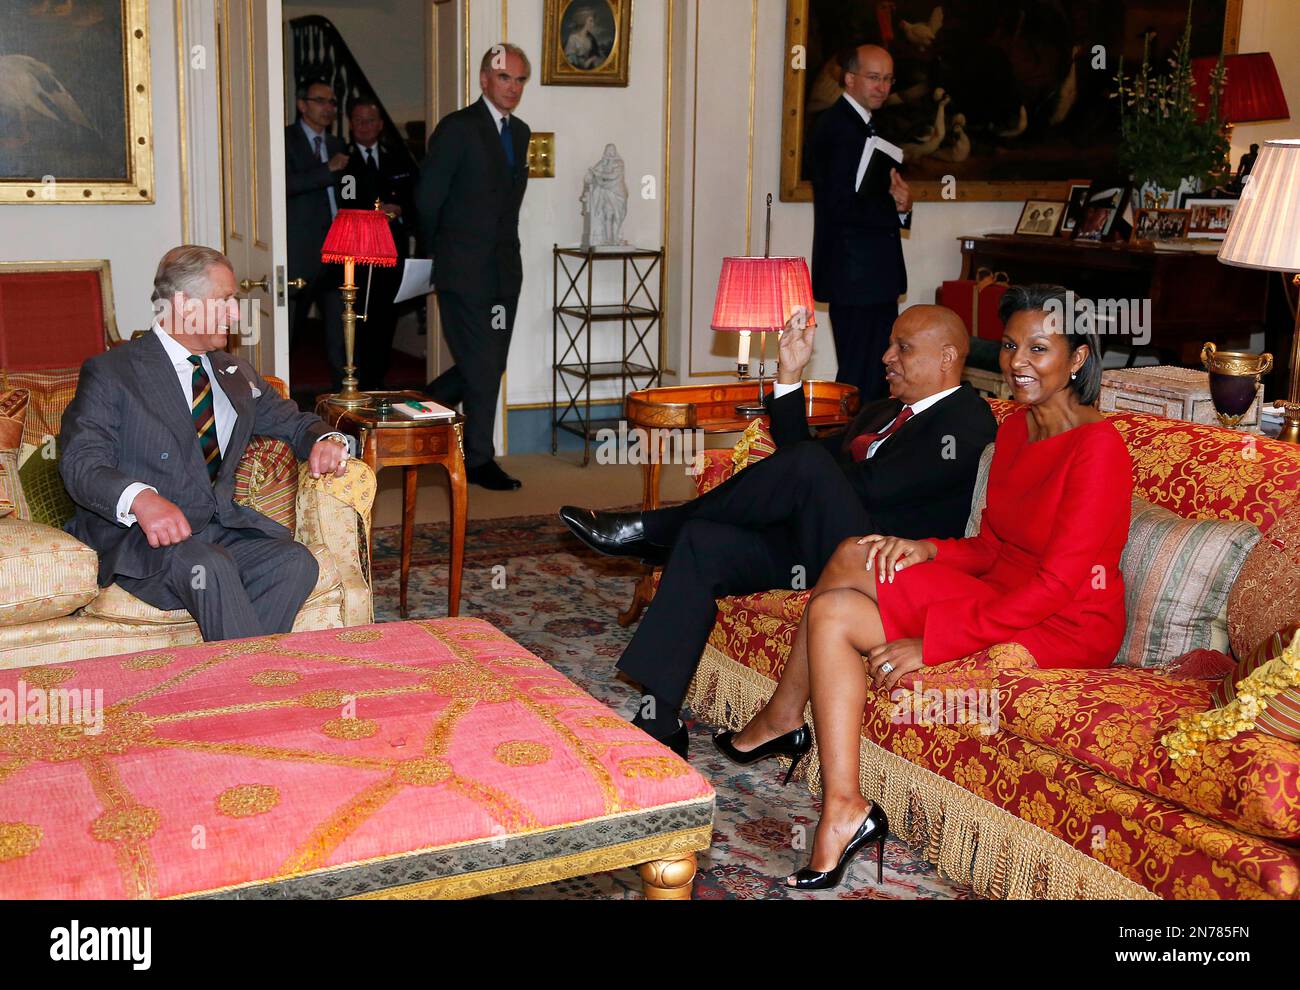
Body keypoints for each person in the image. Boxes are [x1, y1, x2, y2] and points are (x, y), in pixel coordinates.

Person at [722, 284, 1133, 891]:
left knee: (843, 567)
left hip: (1066, 621)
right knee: (838, 596)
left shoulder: (1099, 449)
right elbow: (992, 546)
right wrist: (927, 549)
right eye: (1012, 346)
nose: (1018, 363)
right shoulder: (1016, 431)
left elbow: (1054, 585)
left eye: (1039, 349)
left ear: (1077, 361)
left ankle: (785, 715)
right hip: (1001, 589)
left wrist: (934, 643)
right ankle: (844, 808)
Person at [559, 305, 997, 758]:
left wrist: (813, 471)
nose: (887, 357)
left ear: (947, 357)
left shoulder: (966, 420)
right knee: (702, 540)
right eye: (889, 344)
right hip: (818, 545)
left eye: (903, 348)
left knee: (807, 468)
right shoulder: (882, 411)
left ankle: (652, 528)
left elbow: (870, 486)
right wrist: (790, 375)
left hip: (876, 567)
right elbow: (799, 458)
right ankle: (658, 717)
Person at [60, 246, 353, 643]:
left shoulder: (233, 372)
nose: (236, 314)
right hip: (143, 542)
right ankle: (256, 689)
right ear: (183, 304)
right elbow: (82, 463)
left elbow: (293, 422)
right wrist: (143, 500)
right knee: (209, 567)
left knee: (293, 561)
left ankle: (239, 683)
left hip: (218, 530)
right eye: (226, 300)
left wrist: (325, 439)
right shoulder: (115, 372)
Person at [417, 44, 532, 491]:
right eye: (505, 78)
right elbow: (428, 200)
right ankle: (478, 459)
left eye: (520, 80)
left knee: (489, 363)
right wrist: (438, 256)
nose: (513, 88)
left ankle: (422, 406)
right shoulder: (458, 128)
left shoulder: (519, 132)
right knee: (482, 362)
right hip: (463, 269)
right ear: (485, 79)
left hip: (505, 270)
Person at [811, 43, 913, 404]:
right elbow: (839, 206)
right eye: (873, 77)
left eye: (887, 79)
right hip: (853, 277)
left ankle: (866, 451)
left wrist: (902, 206)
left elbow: (871, 197)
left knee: (877, 376)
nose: (882, 87)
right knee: (858, 380)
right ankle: (845, 455)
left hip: (872, 277)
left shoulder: (871, 125)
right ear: (850, 78)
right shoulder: (835, 126)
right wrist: (890, 210)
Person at [343, 97, 417, 391]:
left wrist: (397, 210)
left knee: (386, 321)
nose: (365, 126)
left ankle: (378, 383)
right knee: (359, 321)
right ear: (351, 124)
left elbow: (412, 199)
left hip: (390, 254)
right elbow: (344, 202)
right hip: (357, 257)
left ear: (381, 125)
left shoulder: (395, 159)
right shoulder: (344, 160)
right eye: (359, 120)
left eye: (370, 120)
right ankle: (356, 382)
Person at [285, 78, 349, 390]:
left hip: (337, 252)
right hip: (300, 252)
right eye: (321, 101)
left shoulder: (338, 144)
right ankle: (282, 398)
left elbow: (347, 190)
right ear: (302, 105)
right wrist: (327, 171)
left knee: (340, 332)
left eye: (332, 102)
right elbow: (283, 185)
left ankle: (344, 396)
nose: (328, 108)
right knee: (289, 334)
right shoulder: (285, 139)